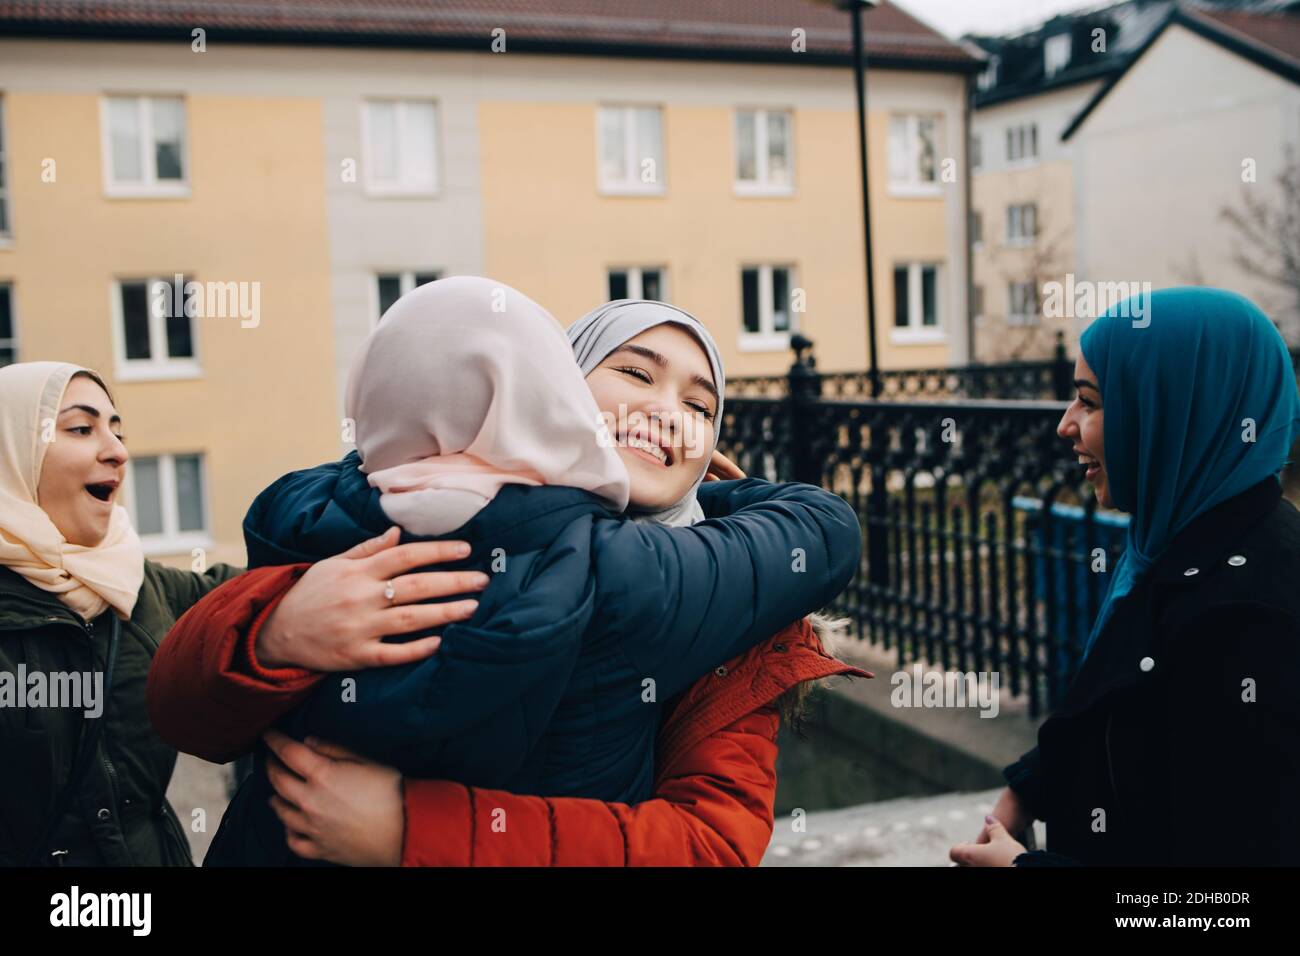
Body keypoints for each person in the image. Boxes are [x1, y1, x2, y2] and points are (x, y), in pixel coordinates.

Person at [176, 278, 863, 865]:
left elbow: (704, 845)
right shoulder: (402, 511)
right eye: (635, 373)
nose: (668, 413)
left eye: (701, 408)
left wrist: (415, 830)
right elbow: (184, 710)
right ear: (551, 387)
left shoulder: (748, 599)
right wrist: (272, 636)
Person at [950, 287, 1300, 867]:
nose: (1065, 426)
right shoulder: (1175, 545)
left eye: (1090, 402)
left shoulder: (1250, 618)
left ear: (1172, 409)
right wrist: (1028, 787)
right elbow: (1121, 710)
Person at [0, 362, 242, 866]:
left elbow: (264, 587)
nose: (117, 451)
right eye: (81, 429)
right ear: (12, 455)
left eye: (118, 430)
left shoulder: (138, 583)